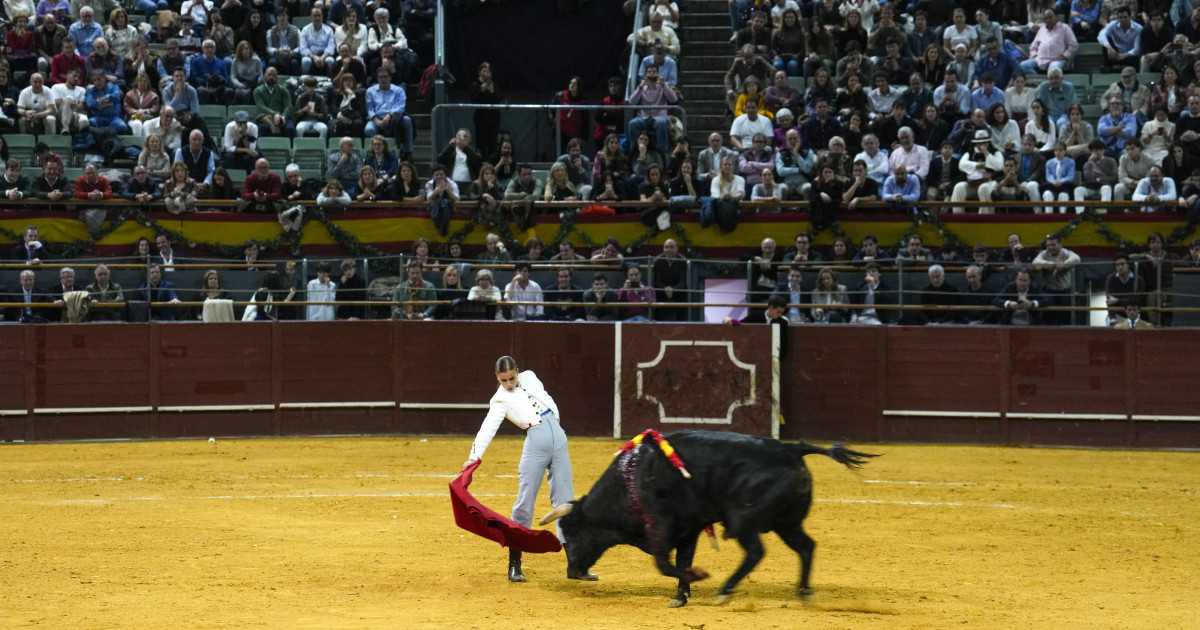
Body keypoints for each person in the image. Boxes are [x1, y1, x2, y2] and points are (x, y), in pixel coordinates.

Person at [464, 355, 587, 583]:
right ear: (497, 378)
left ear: (518, 372)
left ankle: (575, 566)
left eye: (511, 378)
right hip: (536, 442)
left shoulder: (530, 377)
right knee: (525, 501)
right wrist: (474, 457)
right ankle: (514, 564)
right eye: (504, 380)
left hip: (559, 440)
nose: (509, 384)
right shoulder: (500, 399)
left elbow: (547, 397)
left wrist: (557, 421)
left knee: (565, 500)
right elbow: (487, 428)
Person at [1031, 234, 1081, 325]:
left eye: (1053, 245)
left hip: (1065, 291)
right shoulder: (1044, 253)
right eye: (1048, 245)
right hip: (1049, 291)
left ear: (1060, 244)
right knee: (1049, 318)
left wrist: (1062, 266)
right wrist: (1054, 265)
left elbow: (1077, 259)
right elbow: (1035, 262)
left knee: (1066, 318)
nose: (1050, 247)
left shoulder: (1066, 253)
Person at [1105, 252, 1144, 325]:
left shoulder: (1138, 279)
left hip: (1134, 314)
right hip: (1117, 315)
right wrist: (1112, 317)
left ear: (1128, 265)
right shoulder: (1111, 279)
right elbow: (1109, 301)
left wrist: (1117, 300)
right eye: (1117, 265)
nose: (1120, 267)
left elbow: (1137, 300)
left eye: (1122, 264)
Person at [425, 164, 459, 236]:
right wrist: (435, 192)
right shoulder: (429, 184)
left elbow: (457, 199)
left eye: (441, 174)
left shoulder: (452, 184)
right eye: (436, 175)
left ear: (445, 175)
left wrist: (449, 191)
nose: (439, 177)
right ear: (433, 176)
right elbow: (428, 199)